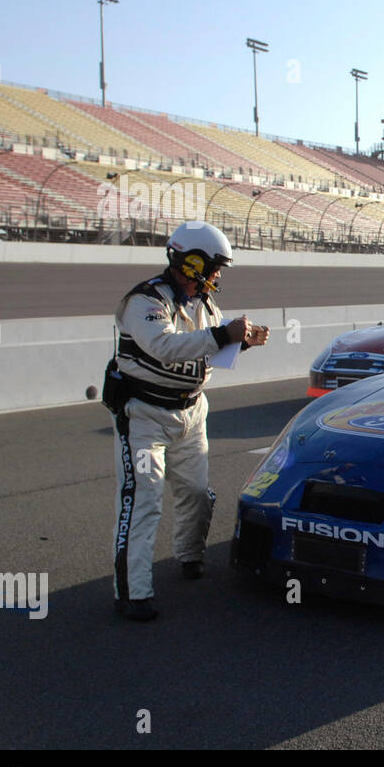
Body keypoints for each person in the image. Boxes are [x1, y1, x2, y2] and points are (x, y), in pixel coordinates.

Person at [105, 221, 269, 621]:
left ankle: (190, 555)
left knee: (195, 493)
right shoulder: (145, 301)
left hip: (192, 413)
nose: (217, 276)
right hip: (144, 416)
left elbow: (208, 352)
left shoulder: (205, 302)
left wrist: (240, 342)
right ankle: (132, 592)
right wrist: (222, 335)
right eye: (214, 268)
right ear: (193, 262)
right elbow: (164, 347)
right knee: (143, 499)